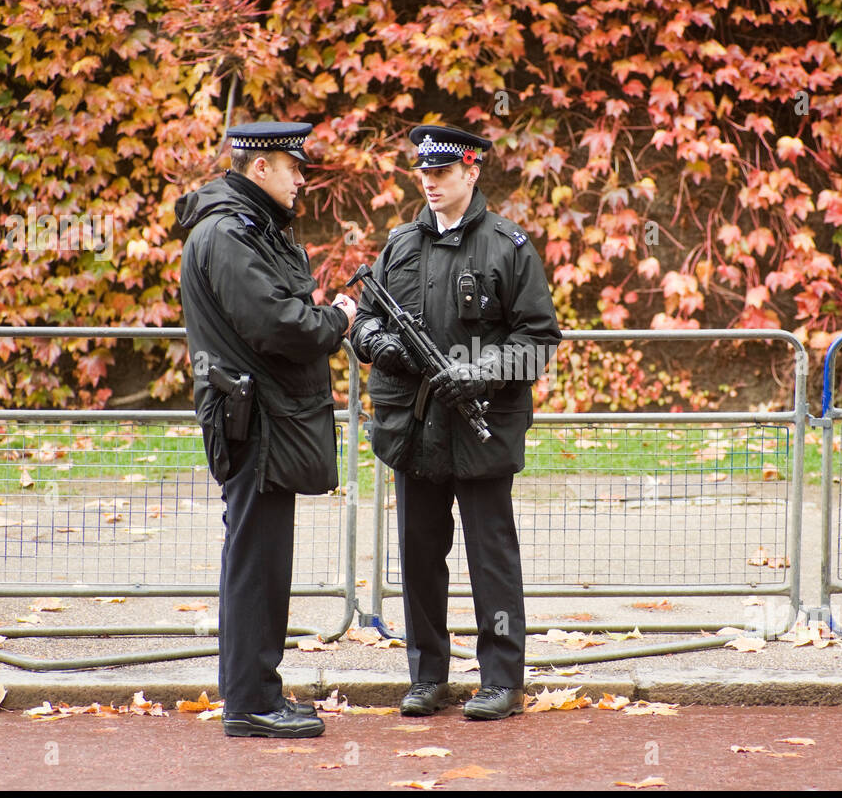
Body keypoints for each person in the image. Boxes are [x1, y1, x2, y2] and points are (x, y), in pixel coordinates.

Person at [352, 125, 561, 720]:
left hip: (479, 426)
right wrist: (379, 344)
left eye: (442, 172)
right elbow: (363, 323)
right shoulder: (398, 246)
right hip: (413, 430)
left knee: (490, 555)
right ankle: (427, 676)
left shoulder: (508, 246)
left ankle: (500, 680)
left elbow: (539, 338)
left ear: (472, 172)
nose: (429, 181)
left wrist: (483, 372)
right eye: (423, 172)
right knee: (419, 555)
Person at [177, 121, 357, 738]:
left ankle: (256, 693)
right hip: (254, 422)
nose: (302, 179)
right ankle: (251, 703)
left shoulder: (243, 227)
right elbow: (279, 327)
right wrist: (338, 318)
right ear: (260, 169)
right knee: (256, 562)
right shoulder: (230, 232)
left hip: (257, 418)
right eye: (294, 167)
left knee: (260, 559)